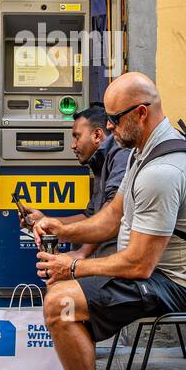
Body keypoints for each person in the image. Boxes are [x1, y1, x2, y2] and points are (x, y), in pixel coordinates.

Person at [25, 72, 186, 370]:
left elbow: (139, 265)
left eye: (114, 119)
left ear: (140, 113)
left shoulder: (162, 172)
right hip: (154, 273)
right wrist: (60, 227)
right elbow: (111, 218)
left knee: (60, 303)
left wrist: (73, 267)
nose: (107, 127)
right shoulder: (144, 153)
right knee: (63, 292)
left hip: (178, 286)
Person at [19, 102, 129, 259]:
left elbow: (110, 217)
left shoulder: (121, 155)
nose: (73, 145)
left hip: (116, 254)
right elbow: (89, 217)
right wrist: (46, 220)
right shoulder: (100, 160)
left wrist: (81, 253)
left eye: (77, 136)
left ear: (97, 135)